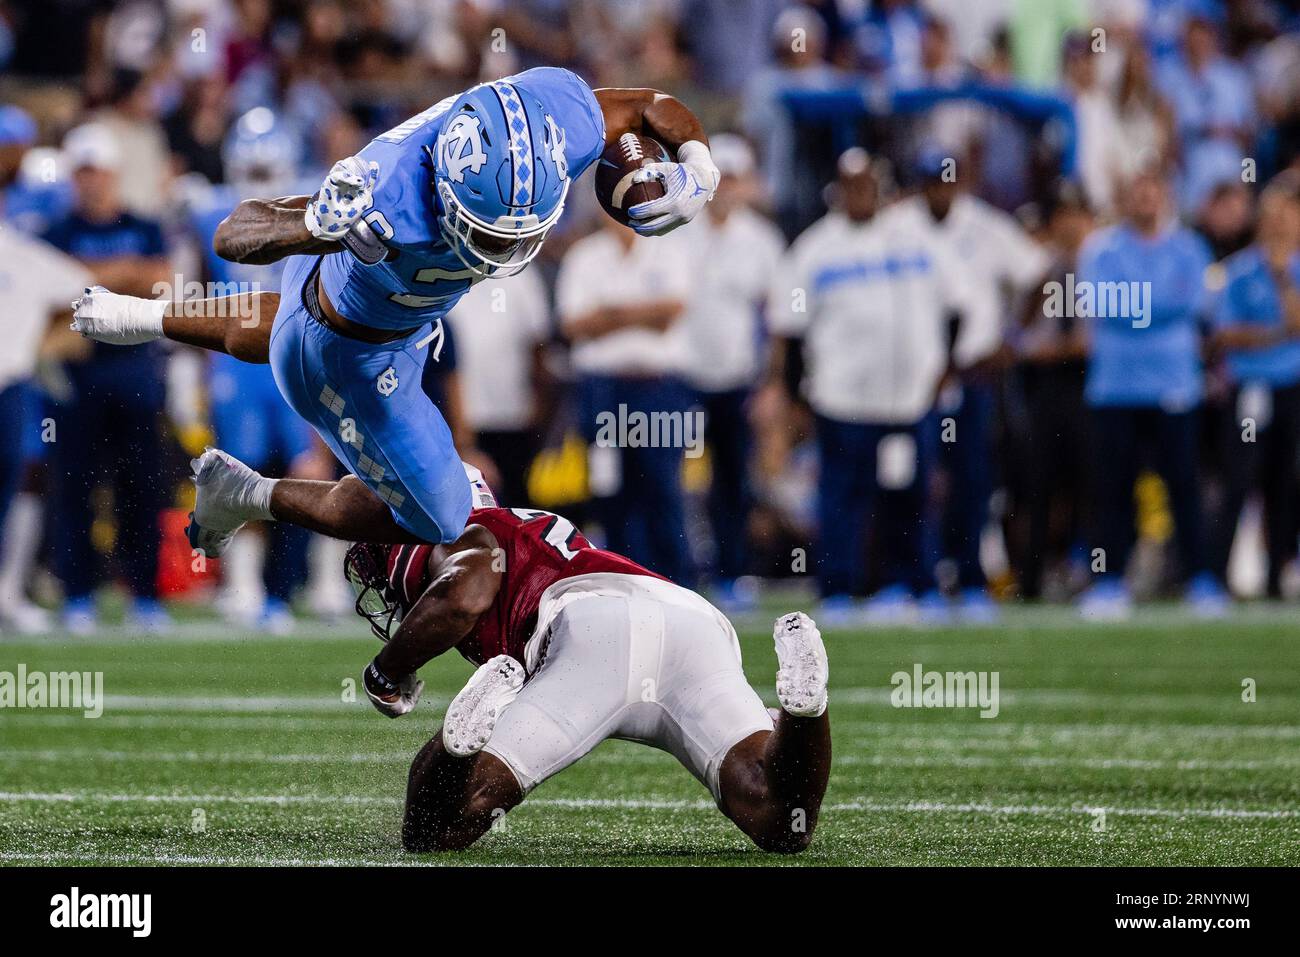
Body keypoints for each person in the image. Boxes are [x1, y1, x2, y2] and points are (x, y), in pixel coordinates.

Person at [72, 69, 722, 560]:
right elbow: (233, 234)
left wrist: (699, 163)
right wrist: (312, 221)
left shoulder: (555, 120)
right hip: (349, 353)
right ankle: (250, 494)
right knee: (441, 518)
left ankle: (145, 316)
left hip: (375, 306)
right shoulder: (388, 193)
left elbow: (645, 108)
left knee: (296, 321)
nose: (506, 251)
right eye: (491, 233)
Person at [197, 451, 832, 854]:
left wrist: (388, 669)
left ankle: (459, 740)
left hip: (592, 634)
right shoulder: (514, 519)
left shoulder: (452, 533)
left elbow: (464, 597)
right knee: (781, 817)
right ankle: (804, 712)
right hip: (687, 616)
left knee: (434, 829)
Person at [767, 148, 989, 625]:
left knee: (910, 493)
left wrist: (945, 367)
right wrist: (794, 395)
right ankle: (839, 589)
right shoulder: (816, 247)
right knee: (842, 497)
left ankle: (912, 583)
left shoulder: (915, 241)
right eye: (851, 186)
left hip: (909, 399)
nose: (860, 194)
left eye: (867, 184)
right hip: (841, 400)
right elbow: (789, 326)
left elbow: (958, 304)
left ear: (880, 187)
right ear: (837, 191)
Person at [886, 149, 1050, 621]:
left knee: (973, 479)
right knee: (916, 480)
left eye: (946, 182)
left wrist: (1013, 337)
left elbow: (1036, 270)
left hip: (975, 371)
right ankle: (919, 577)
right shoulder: (899, 226)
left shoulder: (984, 224)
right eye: (931, 183)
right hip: (916, 377)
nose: (939, 191)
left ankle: (972, 576)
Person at [185, 108, 325, 632]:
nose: (263, 174)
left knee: (305, 468)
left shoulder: (311, 207)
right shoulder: (208, 210)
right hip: (234, 359)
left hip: (292, 352)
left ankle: (307, 582)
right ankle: (243, 584)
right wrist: (189, 368)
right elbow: (193, 290)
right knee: (238, 470)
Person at [1076, 166, 1228, 619]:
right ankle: (1108, 581)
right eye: (1136, 190)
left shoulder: (1190, 247)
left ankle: (1200, 578)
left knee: (1183, 484)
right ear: (1125, 197)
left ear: (1164, 197)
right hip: (1115, 387)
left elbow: (1198, 304)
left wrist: (1134, 303)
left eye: (1152, 190)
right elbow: (1099, 303)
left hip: (1174, 384)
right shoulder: (1100, 249)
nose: (1145, 199)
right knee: (1112, 488)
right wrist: (1160, 303)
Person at [43, 123, 172, 633]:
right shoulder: (56, 230)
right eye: (83, 171)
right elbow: (52, 286)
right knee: (73, 484)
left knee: (142, 484)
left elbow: (162, 277)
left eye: (97, 170)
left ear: (112, 173)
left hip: (135, 370)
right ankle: (77, 592)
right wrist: (123, 273)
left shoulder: (144, 225)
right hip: (78, 374)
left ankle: (144, 592)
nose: (90, 180)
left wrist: (89, 275)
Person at [557, 210, 696, 584]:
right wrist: (643, 313)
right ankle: (620, 578)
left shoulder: (667, 249)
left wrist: (608, 314)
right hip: (603, 388)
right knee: (609, 488)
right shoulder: (584, 256)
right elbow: (573, 325)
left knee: (662, 486)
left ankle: (676, 581)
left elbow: (672, 313)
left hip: (657, 388)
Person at [676, 134, 785, 609]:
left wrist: (772, 382)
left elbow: (777, 320)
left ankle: (733, 571)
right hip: (679, 374)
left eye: (733, 179)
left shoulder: (762, 240)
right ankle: (675, 570)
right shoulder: (677, 228)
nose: (724, 189)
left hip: (737, 379)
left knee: (734, 480)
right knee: (671, 480)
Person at [0, 111, 93, 634]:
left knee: (23, 479)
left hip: (11, 380)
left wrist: (38, 345)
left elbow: (78, 289)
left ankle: (9, 591)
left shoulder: (26, 232)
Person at [1208, 173, 1300, 597]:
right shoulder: (1240, 269)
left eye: (1289, 215)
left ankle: (1276, 578)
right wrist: (1276, 335)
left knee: (1287, 481)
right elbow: (1225, 334)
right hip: (1250, 389)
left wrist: (1282, 278)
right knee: (1240, 481)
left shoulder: (1291, 269)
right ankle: (1215, 578)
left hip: (1291, 389)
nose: (1281, 223)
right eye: (1275, 215)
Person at [443, 271, 551, 509]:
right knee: (463, 507)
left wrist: (540, 409)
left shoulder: (520, 275)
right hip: (455, 419)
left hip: (513, 417)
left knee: (514, 505)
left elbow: (538, 345)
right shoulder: (442, 268)